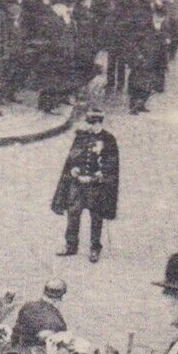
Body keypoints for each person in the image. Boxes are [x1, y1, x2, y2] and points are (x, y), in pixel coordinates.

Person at [51, 109, 120, 263]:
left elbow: (111, 164)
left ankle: (95, 248)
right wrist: (74, 169)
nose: (89, 126)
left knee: (96, 216)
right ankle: (71, 245)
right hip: (78, 183)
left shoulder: (108, 140)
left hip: (96, 185)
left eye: (92, 123)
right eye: (88, 123)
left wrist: (95, 176)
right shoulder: (81, 136)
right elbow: (73, 156)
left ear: (98, 123)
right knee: (73, 213)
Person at [127, 5, 171, 114]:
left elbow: (167, 38)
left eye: (161, 17)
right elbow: (134, 41)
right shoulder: (144, 25)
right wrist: (138, 55)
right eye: (157, 16)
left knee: (150, 83)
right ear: (153, 15)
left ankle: (141, 104)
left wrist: (166, 40)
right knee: (137, 82)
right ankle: (133, 106)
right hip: (143, 57)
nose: (159, 19)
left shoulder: (165, 25)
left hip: (157, 58)